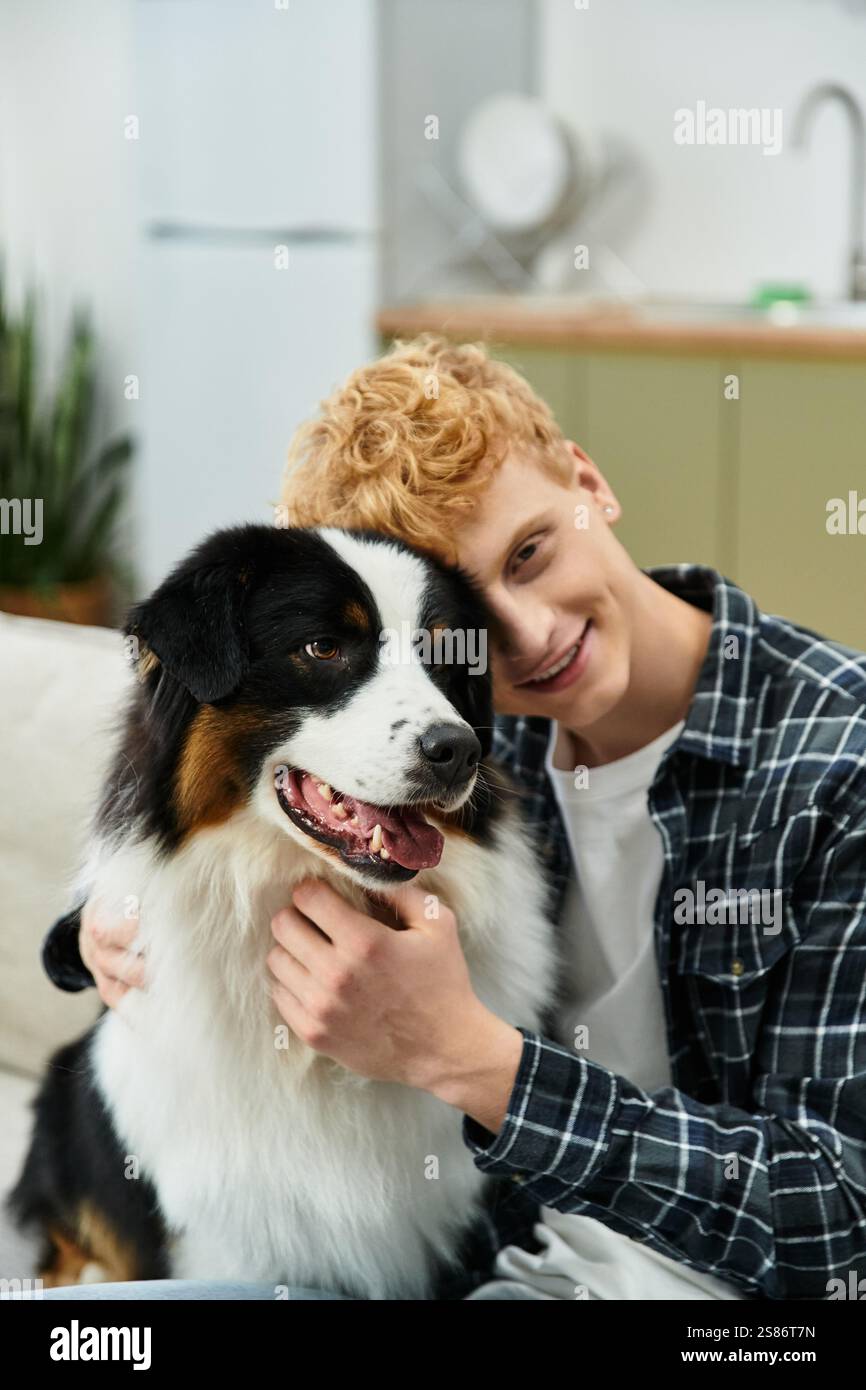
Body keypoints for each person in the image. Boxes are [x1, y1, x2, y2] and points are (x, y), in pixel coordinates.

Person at [41, 334, 866, 1302]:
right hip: (475, 1270)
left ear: (587, 482)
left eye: (530, 553)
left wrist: (476, 1062)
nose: (527, 637)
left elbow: (838, 1217)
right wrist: (90, 938)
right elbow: (226, 879)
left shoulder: (836, 767)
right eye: (463, 627)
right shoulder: (466, 747)